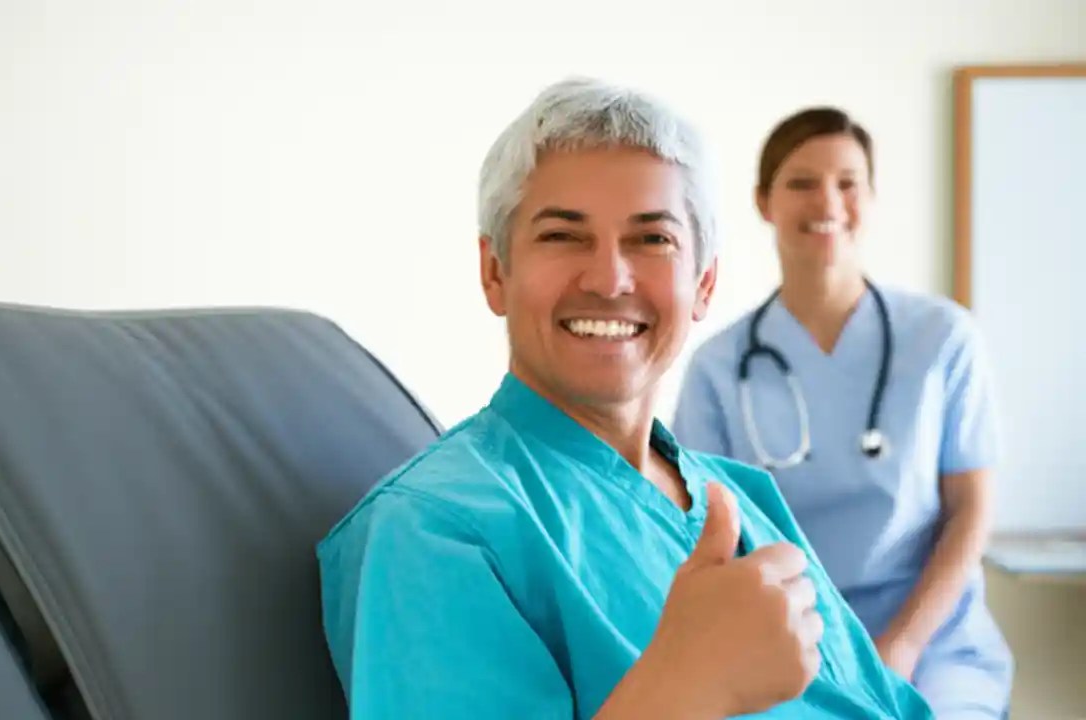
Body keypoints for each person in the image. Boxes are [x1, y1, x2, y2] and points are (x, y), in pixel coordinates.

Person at [317, 78, 933, 719]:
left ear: (704, 284)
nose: (609, 279)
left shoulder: (739, 498)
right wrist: (687, 687)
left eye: (652, 239)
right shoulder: (434, 530)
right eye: (562, 236)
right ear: (495, 272)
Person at [672, 107, 1012, 718]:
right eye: (801, 182)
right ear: (763, 202)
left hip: (933, 639)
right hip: (784, 634)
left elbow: (971, 509)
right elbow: (708, 534)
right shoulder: (719, 368)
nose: (827, 200)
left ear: (871, 198)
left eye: (848, 181)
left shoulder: (943, 339)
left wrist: (903, 643)